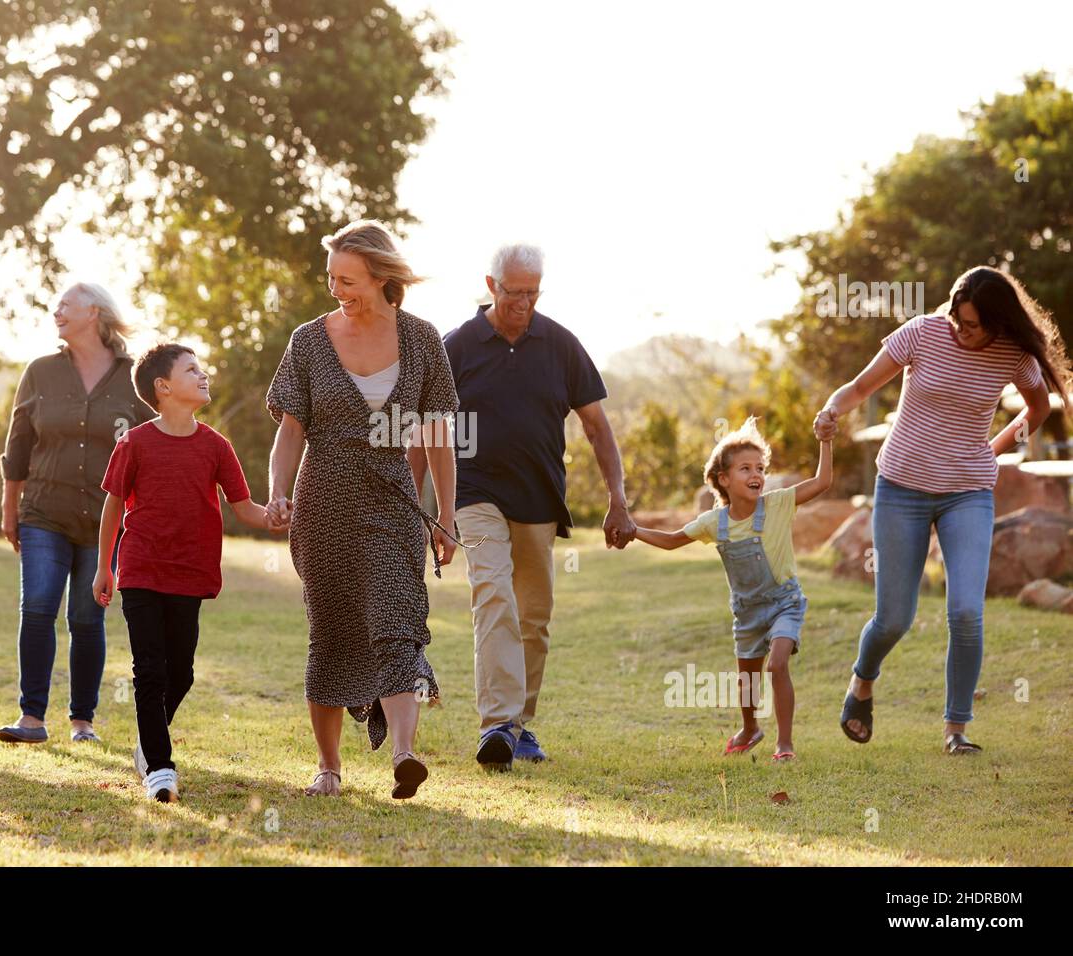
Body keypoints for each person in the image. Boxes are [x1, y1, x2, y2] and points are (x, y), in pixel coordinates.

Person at [815, 267, 1070, 754]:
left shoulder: (1013, 354)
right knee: (894, 618)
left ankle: (956, 729)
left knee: (967, 612)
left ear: (997, 323)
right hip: (901, 489)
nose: (960, 328)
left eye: (972, 324)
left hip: (967, 494)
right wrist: (832, 410)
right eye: (957, 317)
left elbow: (1036, 410)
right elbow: (860, 388)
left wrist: (993, 450)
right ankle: (861, 683)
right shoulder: (922, 333)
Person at [265, 219, 460, 800]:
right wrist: (278, 489)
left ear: (381, 277)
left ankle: (404, 753)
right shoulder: (308, 340)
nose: (338, 290)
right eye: (331, 279)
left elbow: (437, 436)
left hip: (393, 500)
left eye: (347, 279)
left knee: (398, 621)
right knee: (332, 630)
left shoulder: (423, 339)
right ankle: (329, 767)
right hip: (323, 499)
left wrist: (445, 515)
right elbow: (290, 429)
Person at [434, 243, 635, 770]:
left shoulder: (560, 344)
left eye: (532, 292)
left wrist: (618, 499)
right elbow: (427, 431)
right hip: (473, 492)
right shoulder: (457, 346)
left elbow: (596, 427)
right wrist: (432, 509)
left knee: (534, 617)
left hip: (539, 498)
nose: (523, 302)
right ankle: (497, 722)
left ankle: (518, 726)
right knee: (493, 595)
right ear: (491, 284)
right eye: (513, 291)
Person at [94, 343, 275, 802]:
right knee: (149, 671)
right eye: (192, 369)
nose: (203, 374)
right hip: (139, 569)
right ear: (164, 386)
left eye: (202, 366)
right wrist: (104, 567)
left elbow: (246, 509)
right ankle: (159, 768)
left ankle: (146, 741)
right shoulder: (134, 442)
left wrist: (276, 514)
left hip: (189, 572)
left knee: (183, 672)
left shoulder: (216, 446)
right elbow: (113, 505)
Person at [0, 283, 153, 744]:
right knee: (39, 606)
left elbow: (151, 446)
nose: (57, 310)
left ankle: (82, 721)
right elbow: (18, 445)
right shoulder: (40, 372)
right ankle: (31, 718)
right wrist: (10, 508)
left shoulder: (133, 376)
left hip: (107, 520)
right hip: (44, 510)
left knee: (87, 617)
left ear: (95, 313)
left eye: (67, 304)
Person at [629, 418, 832, 760]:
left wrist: (825, 441)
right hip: (747, 612)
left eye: (760, 468)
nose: (756, 475)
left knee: (777, 665)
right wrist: (632, 531)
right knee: (748, 682)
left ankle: (785, 745)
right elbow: (670, 541)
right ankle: (750, 728)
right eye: (745, 469)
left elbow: (823, 481)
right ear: (723, 479)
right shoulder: (714, 522)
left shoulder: (779, 504)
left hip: (784, 602)